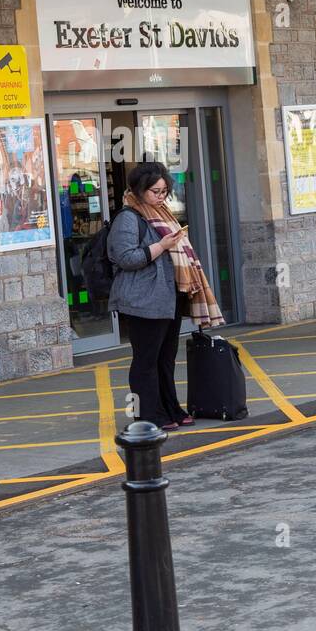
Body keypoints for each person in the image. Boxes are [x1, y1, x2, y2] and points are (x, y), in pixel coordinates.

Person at [108, 161, 225, 430]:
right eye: (154, 192)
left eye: (164, 192)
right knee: (145, 362)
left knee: (165, 359)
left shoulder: (163, 214)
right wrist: (161, 245)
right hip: (142, 300)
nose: (160, 197)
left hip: (168, 297)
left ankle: (170, 409)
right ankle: (146, 415)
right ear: (138, 190)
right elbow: (126, 258)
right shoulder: (128, 218)